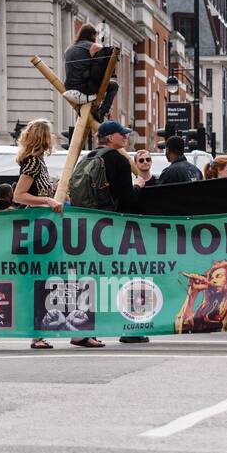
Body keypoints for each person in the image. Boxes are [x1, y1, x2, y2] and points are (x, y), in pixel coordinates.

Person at [70, 120, 146, 343]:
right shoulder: (117, 160)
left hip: (88, 225)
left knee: (90, 277)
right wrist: (139, 187)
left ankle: (81, 330)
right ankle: (130, 329)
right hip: (113, 227)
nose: (125, 137)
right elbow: (127, 199)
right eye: (121, 134)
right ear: (110, 137)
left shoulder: (89, 157)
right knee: (124, 277)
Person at [12, 119, 73, 349]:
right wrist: (48, 200)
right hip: (37, 231)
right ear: (44, 138)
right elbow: (19, 195)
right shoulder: (33, 164)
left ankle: (39, 331)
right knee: (40, 281)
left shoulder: (36, 163)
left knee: (44, 281)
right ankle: (36, 332)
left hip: (43, 230)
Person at [62, 25, 119, 122]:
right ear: (92, 35)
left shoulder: (68, 49)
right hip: (86, 88)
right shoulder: (94, 46)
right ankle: (102, 112)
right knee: (114, 86)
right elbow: (106, 53)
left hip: (69, 86)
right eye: (95, 37)